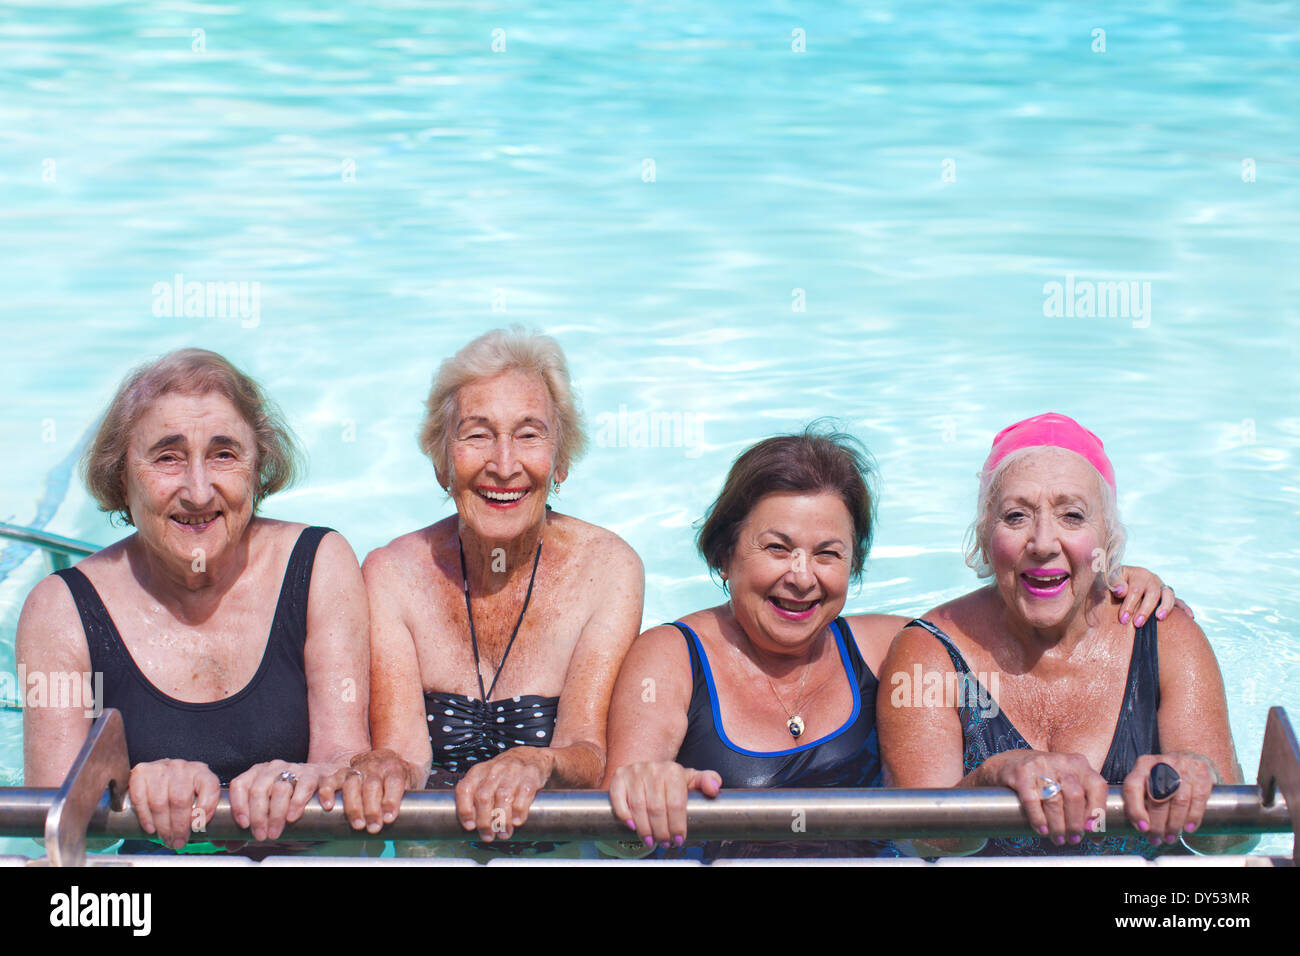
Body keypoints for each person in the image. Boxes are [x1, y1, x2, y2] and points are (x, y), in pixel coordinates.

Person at [603, 423, 1178, 858]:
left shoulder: (887, 649)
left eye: (829, 554)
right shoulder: (671, 658)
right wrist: (646, 789)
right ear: (724, 554)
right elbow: (611, 841)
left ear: (853, 569)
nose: (802, 576)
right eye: (777, 548)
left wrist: (1112, 583)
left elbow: (1001, 618)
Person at [17, 348, 381, 855]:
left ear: (259, 470)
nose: (198, 490)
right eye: (167, 456)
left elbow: (345, 758)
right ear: (122, 478)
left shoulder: (319, 564)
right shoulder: (60, 610)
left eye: (224, 454)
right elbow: (49, 816)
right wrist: (130, 784)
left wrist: (301, 775)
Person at [878, 413, 1250, 857]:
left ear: (1107, 541)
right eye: (1016, 516)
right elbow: (916, 839)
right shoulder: (929, 653)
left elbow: (1235, 838)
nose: (1043, 541)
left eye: (1072, 516)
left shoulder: (1167, 639)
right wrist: (991, 776)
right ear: (984, 536)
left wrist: (1197, 783)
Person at [355, 327, 643, 857]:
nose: (504, 465)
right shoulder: (391, 574)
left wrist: (540, 762)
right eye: (477, 434)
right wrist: (381, 766)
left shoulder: (607, 568)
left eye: (529, 434)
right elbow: (404, 753)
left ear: (560, 462)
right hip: (433, 852)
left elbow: (590, 752)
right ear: (443, 462)